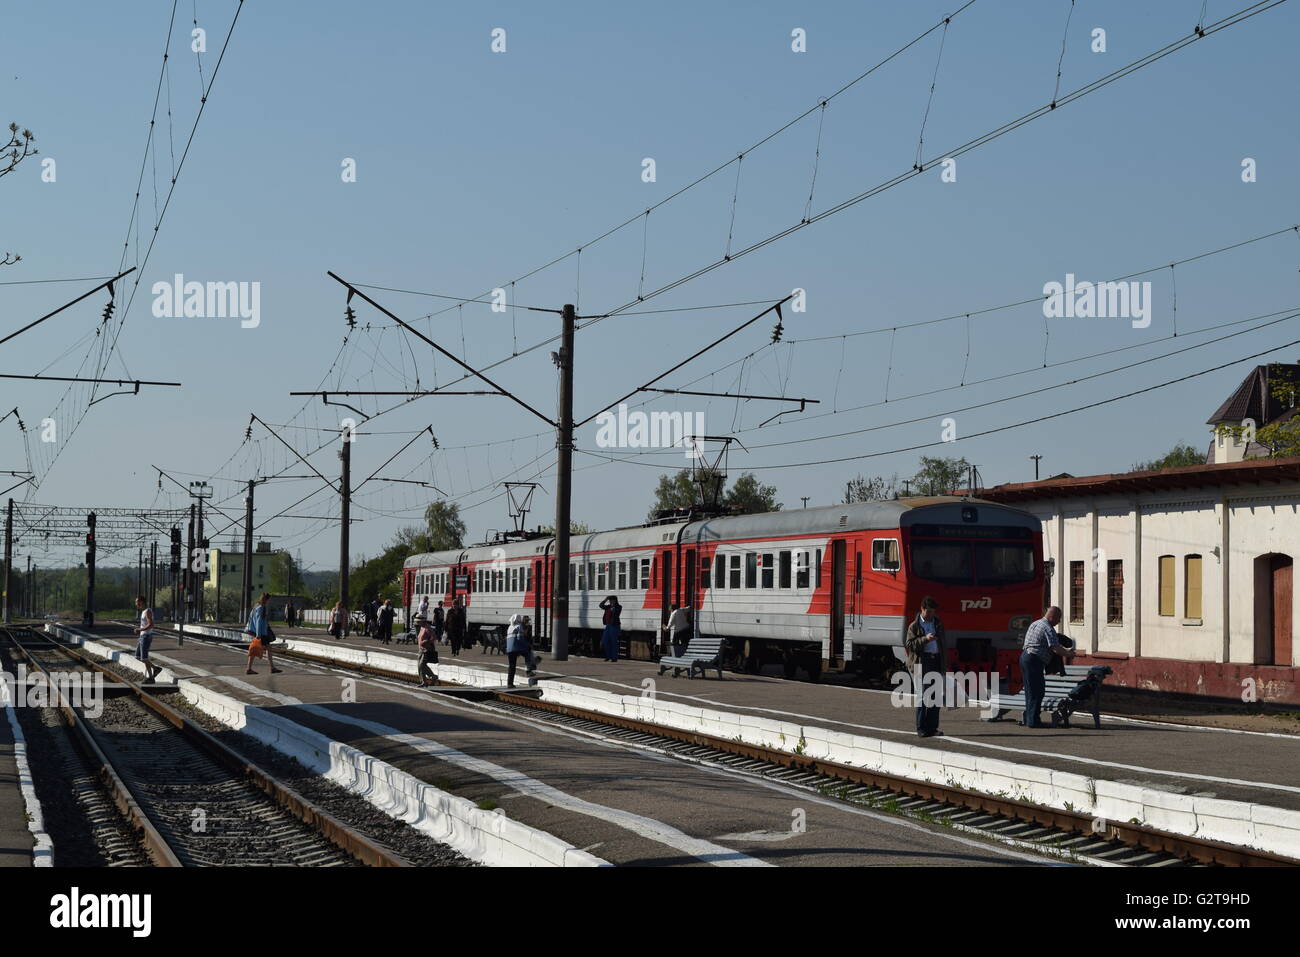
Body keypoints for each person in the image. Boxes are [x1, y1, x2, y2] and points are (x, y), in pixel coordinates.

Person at [1020, 606, 1074, 728]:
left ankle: (1031, 719)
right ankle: (1034, 721)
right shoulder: (1047, 628)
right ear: (1052, 616)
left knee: (1030, 691)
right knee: (1037, 691)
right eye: (1058, 618)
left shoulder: (1036, 623)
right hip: (1034, 660)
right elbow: (1055, 648)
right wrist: (1069, 653)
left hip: (1026, 657)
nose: (1059, 621)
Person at [905, 596, 945, 738]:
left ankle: (932, 728)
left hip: (935, 661)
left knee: (935, 697)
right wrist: (925, 639)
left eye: (933, 612)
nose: (930, 615)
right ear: (921, 610)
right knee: (922, 696)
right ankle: (921, 728)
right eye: (928, 612)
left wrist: (944, 664)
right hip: (920, 663)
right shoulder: (914, 626)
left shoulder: (938, 623)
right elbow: (909, 644)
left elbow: (943, 645)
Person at [245, 592, 283, 676]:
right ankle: (271, 668)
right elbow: (258, 621)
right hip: (261, 633)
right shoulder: (261, 607)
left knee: (257, 649)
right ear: (266, 599)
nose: (269, 602)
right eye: (268, 600)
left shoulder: (256, 606)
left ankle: (250, 668)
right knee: (263, 649)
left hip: (258, 631)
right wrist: (259, 635)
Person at [133, 595, 161, 682]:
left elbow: (151, 624)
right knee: (138, 656)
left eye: (137, 602)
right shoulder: (144, 611)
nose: (136, 604)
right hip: (143, 636)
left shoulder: (147, 611)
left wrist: (139, 629)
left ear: (141, 601)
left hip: (146, 636)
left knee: (144, 658)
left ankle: (152, 676)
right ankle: (154, 670)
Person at [505, 613, 535, 688]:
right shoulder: (519, 626)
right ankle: (528, 670)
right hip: (516, 647)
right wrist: (527, 645)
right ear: (518, 619)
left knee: (512, 666)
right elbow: (520, 638)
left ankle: (509, 683)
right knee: (528, 653)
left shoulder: (509, 627)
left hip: (509, 649)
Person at [415, 614, 439, 687]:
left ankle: (425, 681)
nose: (417, 623)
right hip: (421, 649)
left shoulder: (427, 628)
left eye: (418, 621)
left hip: (426, 649)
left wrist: (426, 641)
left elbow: (434, 637)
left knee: (421, 665)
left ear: (422, 621)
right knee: (420, 666)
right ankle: (431, 677)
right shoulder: (422, 627)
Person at [599, 595, 622, 662]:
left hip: (614, 626)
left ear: (615, 600)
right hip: (608, 626)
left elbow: (617, 612)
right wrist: (605, 600)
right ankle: (608, 656)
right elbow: (600, 605)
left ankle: (614, 658)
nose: (611, 601)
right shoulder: (608, 607)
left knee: (613, 642)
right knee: (605, 641)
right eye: (610, 600)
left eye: (612, 600)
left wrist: (613, 609)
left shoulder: (619, 607)